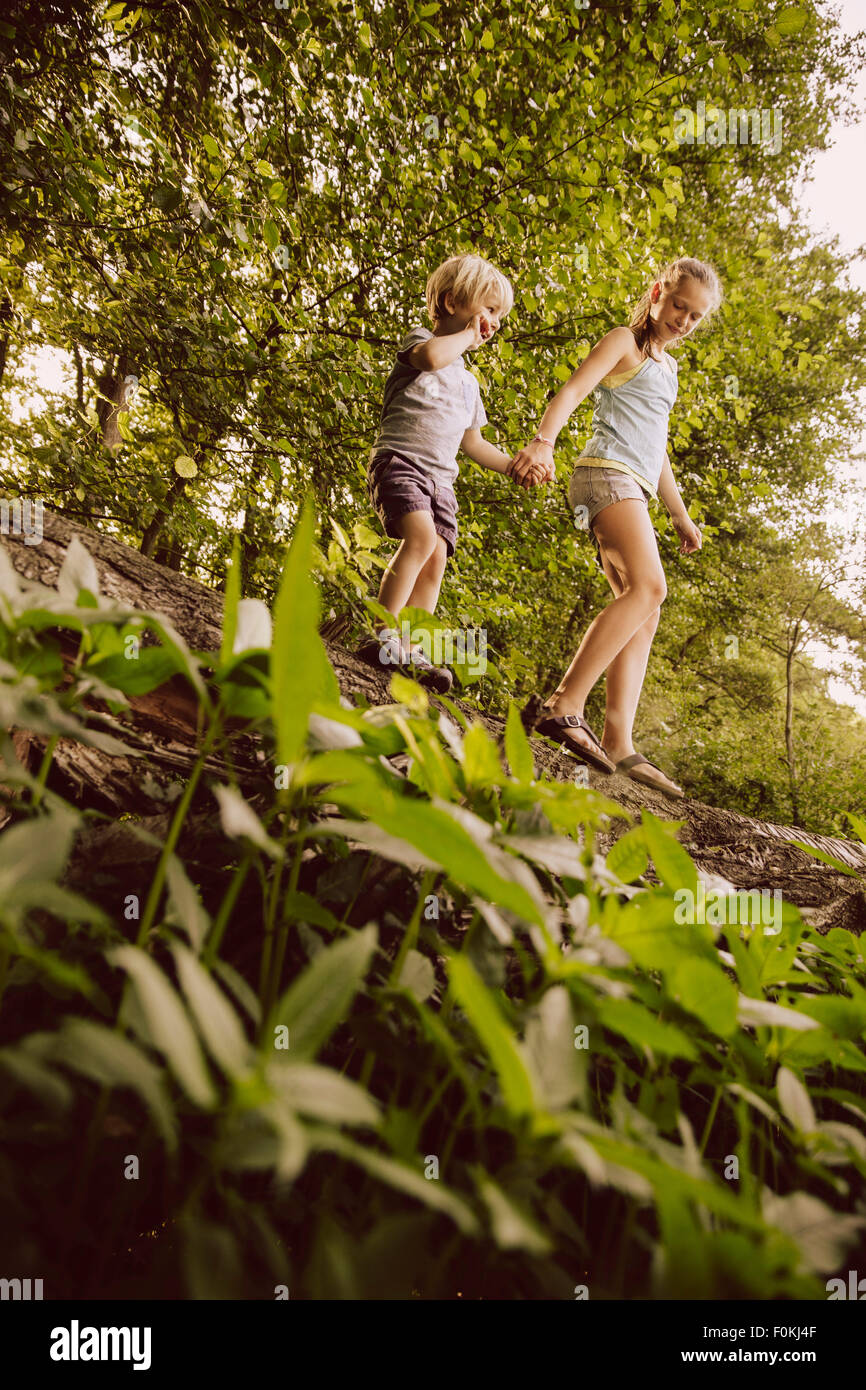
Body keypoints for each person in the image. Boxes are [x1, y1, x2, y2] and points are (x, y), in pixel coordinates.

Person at [509, 256, 722, 798]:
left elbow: (657, 452)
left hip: (632, 483)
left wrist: (679, 514)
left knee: (643, 610)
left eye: (695, 317)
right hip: (605, 476)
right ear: (657, 293)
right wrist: (543, 441)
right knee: (650, 588)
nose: (683, 320)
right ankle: (564, 705)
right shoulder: (624, 342)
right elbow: (575, 390)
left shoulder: (667, 369)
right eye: (679, 305)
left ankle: (619, 744)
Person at [358, 253, 547, 692]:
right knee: (420, 539)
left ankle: (411, 648)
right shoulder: (421, 342)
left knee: (436, 558)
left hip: (441, 482)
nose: (493, 323)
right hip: (400, 462)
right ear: (449, 302)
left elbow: (475, 444)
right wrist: (466, 335)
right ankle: (383, 634)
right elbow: (430, 358)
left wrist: (515, 467)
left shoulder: (469, 384)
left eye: (498, 316)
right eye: (488, 310)